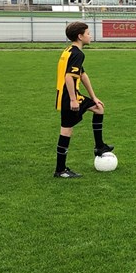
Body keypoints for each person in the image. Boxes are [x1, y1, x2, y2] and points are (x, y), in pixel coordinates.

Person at [54, 21, 113, 178]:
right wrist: (73, 100)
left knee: (98, 107)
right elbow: (69, 77)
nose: (90, 36)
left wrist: (94, 96)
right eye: (88, 33)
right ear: (80, 36)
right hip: (69, 97)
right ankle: (60, 170)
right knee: (66, 132)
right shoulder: (78, 54)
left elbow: (82, 75)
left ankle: (99, 146)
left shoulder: (70, 51)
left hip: (69, 95)